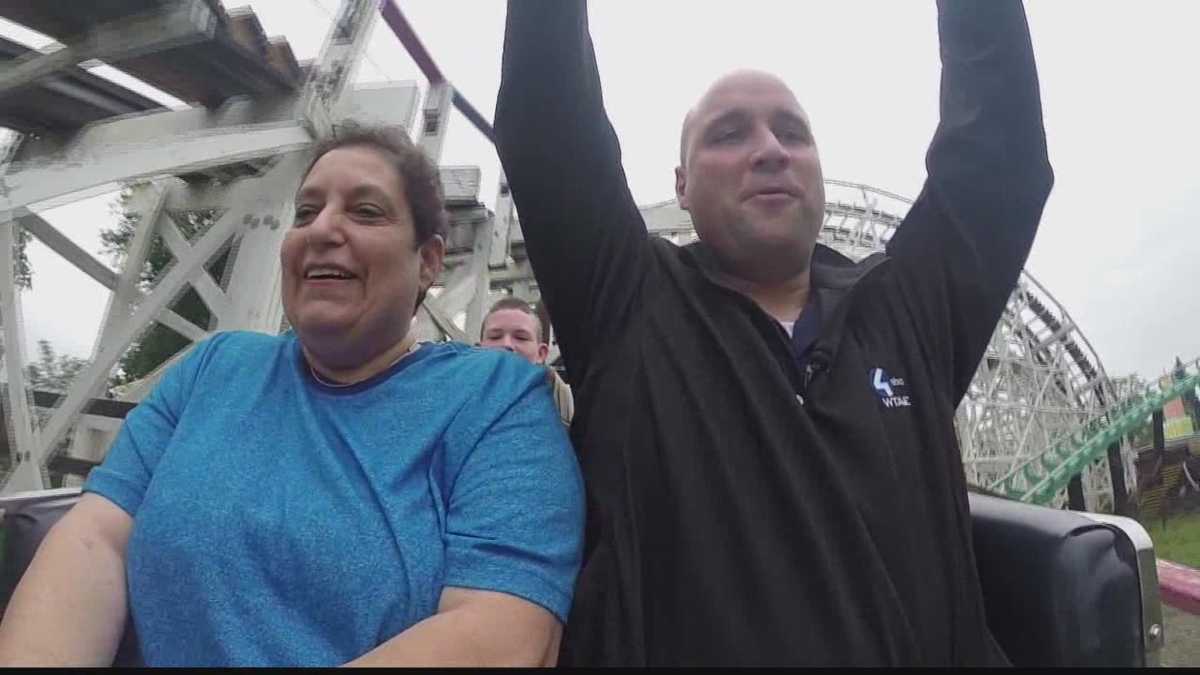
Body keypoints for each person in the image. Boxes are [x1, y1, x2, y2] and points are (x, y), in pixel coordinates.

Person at [494, 0, 1052, 666]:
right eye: (728, 134)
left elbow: (999, 155)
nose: (769, 150)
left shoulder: (907, 309)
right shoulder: (629, 304)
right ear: (681, 186)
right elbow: (546, 113)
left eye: (793, 132)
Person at [0, 124, 585, 667]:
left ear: (428, 261)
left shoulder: (496, 399)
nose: (324, 229)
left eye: (365, 210)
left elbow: (503, 629)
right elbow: (94, 539)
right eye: (307, 211)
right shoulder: (213, 369)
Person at [479, 297, 574, 424]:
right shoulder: (452, 402)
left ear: (541, 353)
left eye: (520, 337)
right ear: (478, 350)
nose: (507, 344)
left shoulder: (570, 405)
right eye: (495, 337)